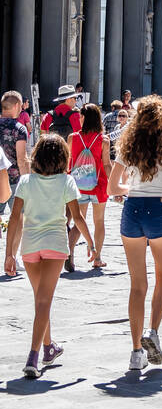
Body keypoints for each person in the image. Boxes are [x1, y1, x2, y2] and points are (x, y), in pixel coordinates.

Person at [4, 133, 93, 378]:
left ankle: (48, 346)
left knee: (40, 300)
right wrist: (92, 244)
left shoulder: (25, 182)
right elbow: (77, 218)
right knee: (43, 301)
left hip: (30, 246)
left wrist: (9, 253)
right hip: (55, 245)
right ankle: (33, 357)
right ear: (63, 158)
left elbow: (15, 218)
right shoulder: (67, 182)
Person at [108, 95, 162, 372]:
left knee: (137, 285)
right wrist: (161, 191)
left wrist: (133, 190)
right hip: (159, 211)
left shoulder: (126, 148)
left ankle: (135, 351)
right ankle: (153, 331)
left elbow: (113, 188)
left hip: (132, 212)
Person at [67, 103, 111, 269]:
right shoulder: (103, 140)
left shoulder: (72, 138)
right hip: (99, 185)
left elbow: (68, 162)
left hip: (78, 186)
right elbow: (106, 165)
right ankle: (97, 258)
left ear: (84, 118)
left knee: (79, 220)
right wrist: (113, 182)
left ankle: (70, 254)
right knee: (99, 221)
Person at [0, 91, 30, 228]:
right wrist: (28, 182)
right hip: (14, 181)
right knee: (18, 221)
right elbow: (22, 159)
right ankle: (11, 250)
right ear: (17, 105)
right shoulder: (19, 129)